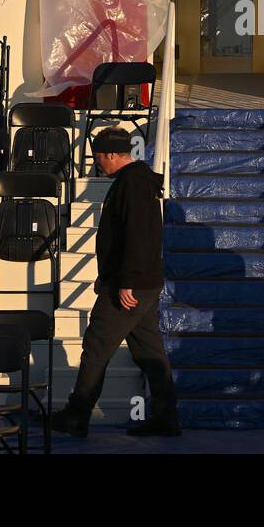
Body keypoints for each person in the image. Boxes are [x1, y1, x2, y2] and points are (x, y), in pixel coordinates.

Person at [49, 126, 180, 438]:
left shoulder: (132, 183)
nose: (98, 165)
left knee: (97, 344)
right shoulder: (134, 181)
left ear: (110, 154)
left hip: (131, 283)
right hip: (140, 280)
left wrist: (127, 282)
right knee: (148, 351)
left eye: (98, 158)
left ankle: (77, 413)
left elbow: (139, 237)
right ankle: (166, 416)